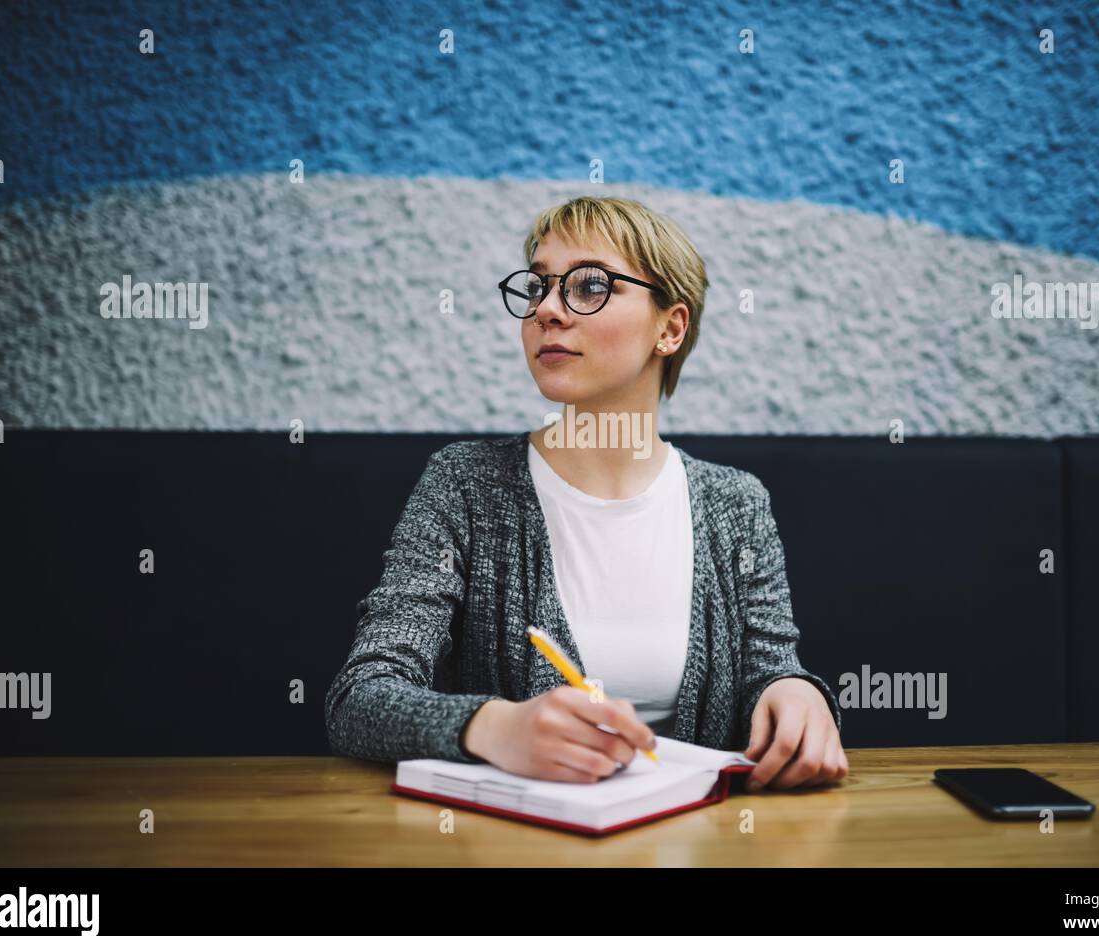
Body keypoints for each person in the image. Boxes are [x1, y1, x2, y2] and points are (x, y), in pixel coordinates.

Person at [325, 196, 847, 791]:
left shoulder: (736, 503)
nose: (548, 309)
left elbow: (769, 670)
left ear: (670, 328)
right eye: (539, 287)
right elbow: (360, 697)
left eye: (590, 286)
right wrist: (493, 728)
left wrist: (793, 690)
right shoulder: (464, 484)